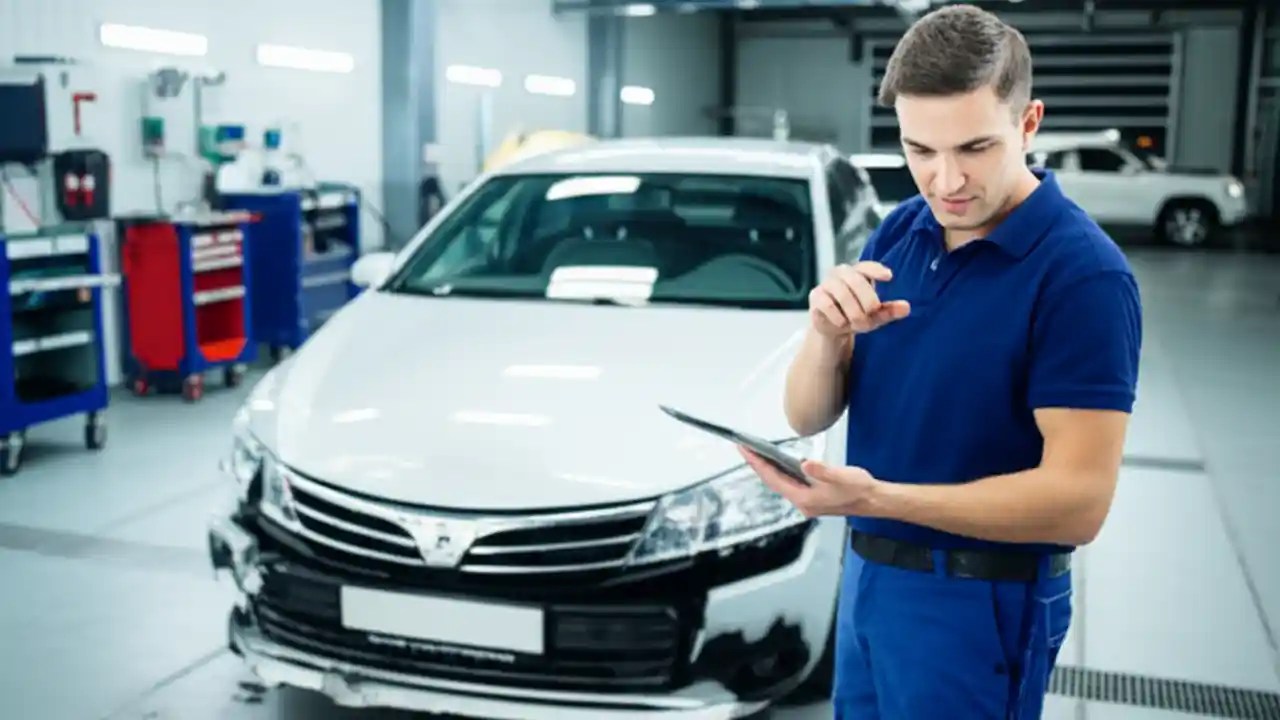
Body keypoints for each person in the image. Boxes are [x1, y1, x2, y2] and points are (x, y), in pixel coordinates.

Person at [737, 5, 1142, 720]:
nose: (945, 179)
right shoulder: (902, 230)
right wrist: (825, 335)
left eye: (975, 148)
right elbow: (807, 414)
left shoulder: (1081, 275)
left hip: (979, 599)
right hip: (869, 579)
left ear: (1028, 123)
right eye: (919, 150)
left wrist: (877, 500)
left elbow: (1079, 502)